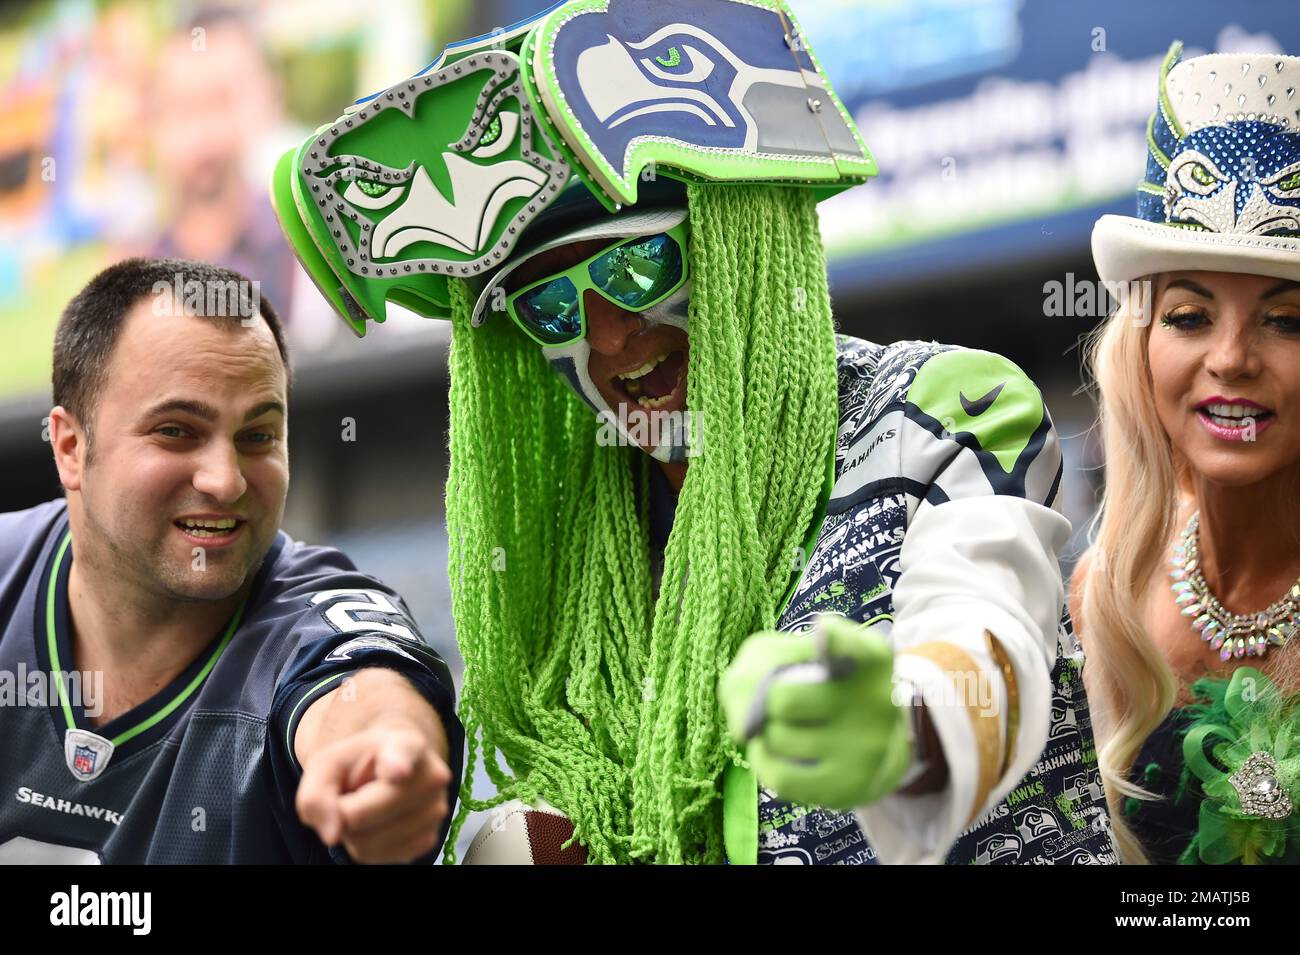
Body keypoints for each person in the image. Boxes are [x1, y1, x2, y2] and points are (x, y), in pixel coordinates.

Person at [271, 0, 1113, 864]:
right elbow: (581, 800)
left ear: (742, 244)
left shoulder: (940, 407)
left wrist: (902, 726)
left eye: (635, 264)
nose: (605, 336)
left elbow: (989, 636)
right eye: (552, 305)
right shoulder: (583, 559)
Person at [0, 257, 462, 864]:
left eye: (257, 436)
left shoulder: (313, 619)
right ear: (70, 447)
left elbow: (366, 689)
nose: (226, 481)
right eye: (176, 431)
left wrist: (385, 756)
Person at [1076, 42, 1300, 864]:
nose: (1232, 359)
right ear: (1139, 348)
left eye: (1287, 320)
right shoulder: (1104, 595)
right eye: (1190, 316)